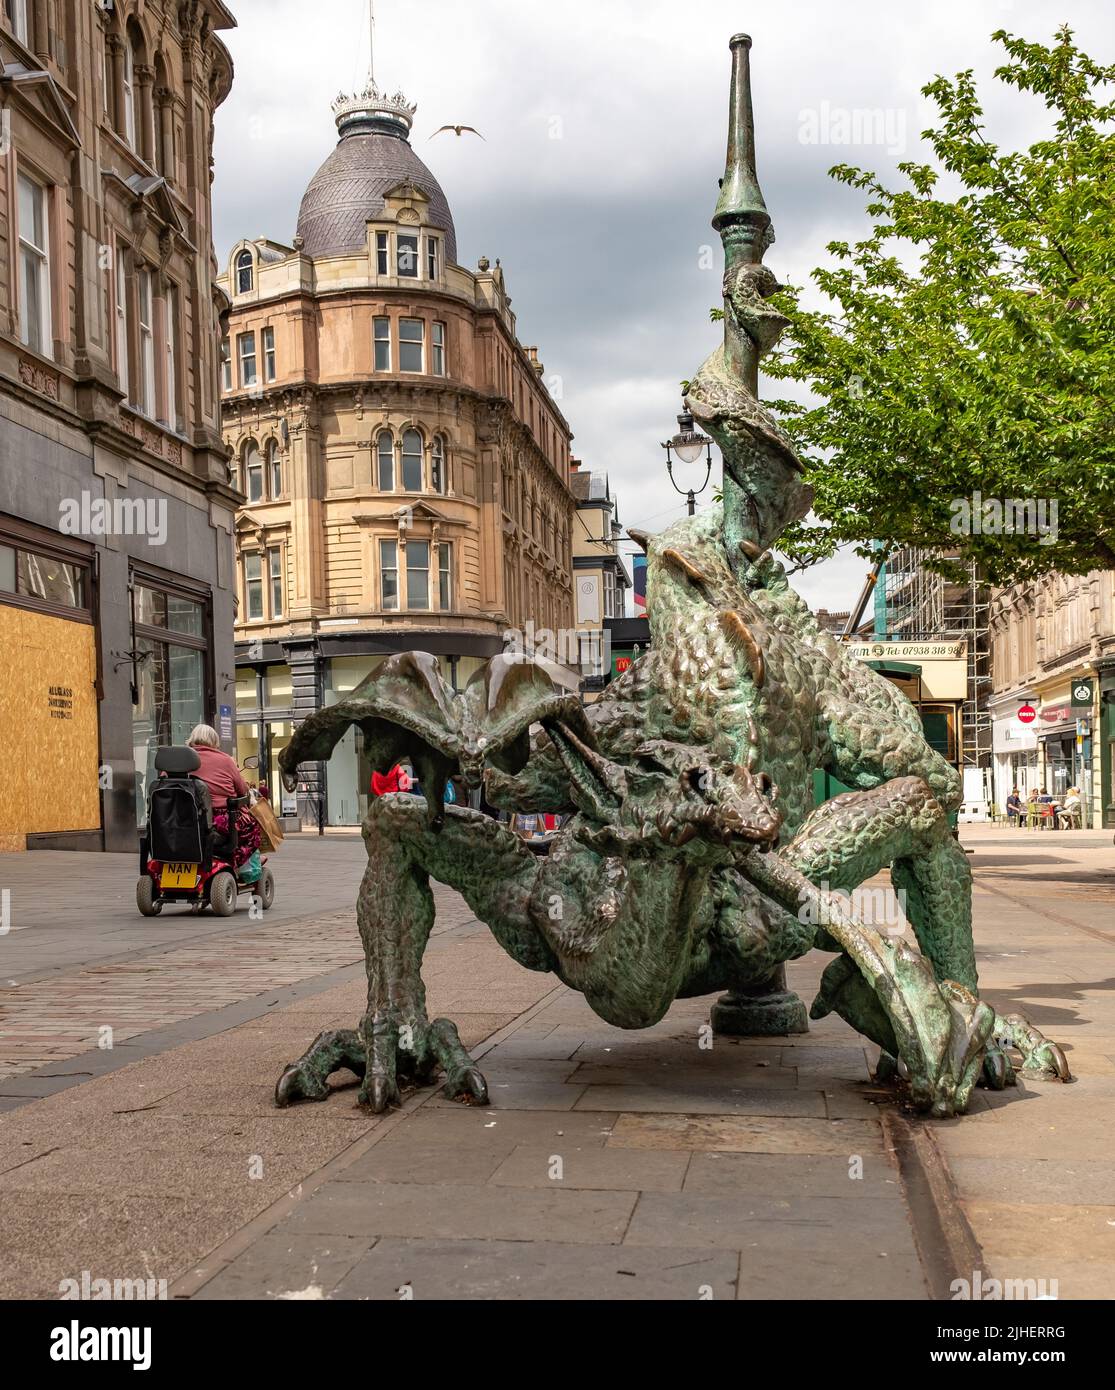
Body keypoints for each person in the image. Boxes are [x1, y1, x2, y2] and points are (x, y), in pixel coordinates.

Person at [186, 724, 260, 868]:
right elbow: (243, 791)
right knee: (251, 827)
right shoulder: (225, 760)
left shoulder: (179, 761)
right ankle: (237, 866)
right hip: (216, 821)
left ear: (192, 739)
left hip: (179, 820)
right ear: (215, 742)